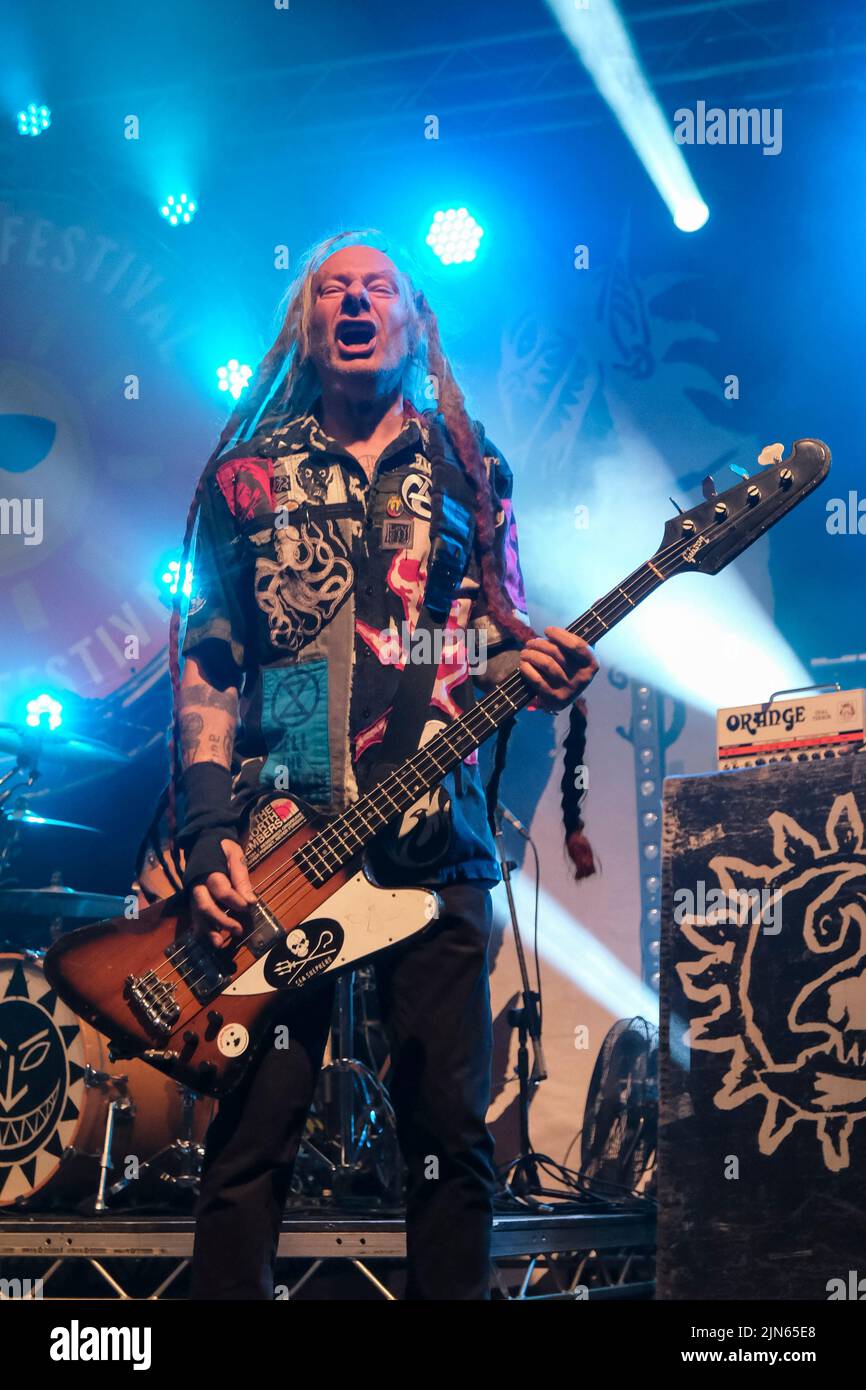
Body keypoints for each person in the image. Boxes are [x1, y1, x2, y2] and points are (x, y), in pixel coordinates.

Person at [172, 231, 597, 1300]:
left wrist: (532, 661)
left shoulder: (468, 464)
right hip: (280, 834)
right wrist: (208, 826)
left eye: (378, 289)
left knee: (448, 1134)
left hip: (433, 832)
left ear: (415, 323)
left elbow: (493, 626)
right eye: (331, 288)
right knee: (249, 1135)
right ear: (302, 325)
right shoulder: (243, 477)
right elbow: (211, 660)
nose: (354, 302)